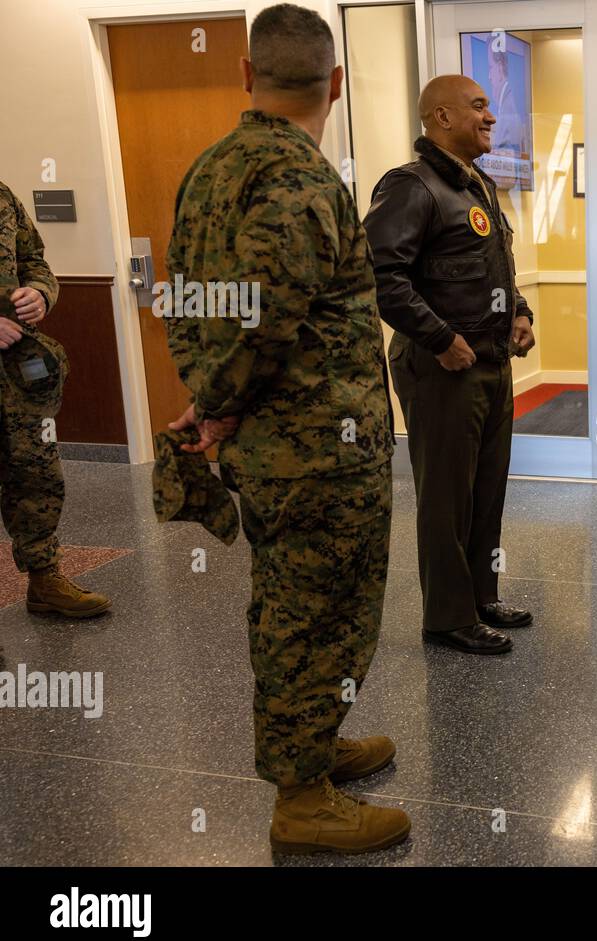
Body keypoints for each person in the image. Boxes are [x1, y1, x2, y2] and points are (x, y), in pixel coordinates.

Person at [163, 3, 408, 854]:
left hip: (275, 448)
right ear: (334, 83)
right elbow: (262, 318)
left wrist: (204, 397)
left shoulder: (210, 170)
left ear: (246, 75)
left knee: (294, 607)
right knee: (317, 614)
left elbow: (189, 300)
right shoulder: (300, 179)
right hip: (318, 454)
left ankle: (315, 738)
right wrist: (222, 400)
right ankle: (301, 795)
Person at [364, 73, 535, 656]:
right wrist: (440, 338)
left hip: (490, 363)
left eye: (489, 107)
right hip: (442, 369)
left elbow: (495, 266)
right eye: (478, 107)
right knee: (446, 497)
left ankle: (481, 598)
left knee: (486, 492)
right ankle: (446, 617)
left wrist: (519, 312)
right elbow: (382, 277)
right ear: (440, 117)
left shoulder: (479, 185)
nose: (490, 117)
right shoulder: (411, 187)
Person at [0, 180, 111, 618]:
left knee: (37, 475)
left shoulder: (3, 197)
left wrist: (41, 293)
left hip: (16, 374)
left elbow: (34, 262)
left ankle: (45, 582)